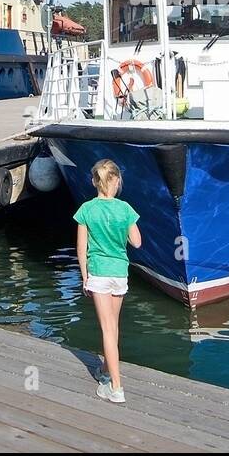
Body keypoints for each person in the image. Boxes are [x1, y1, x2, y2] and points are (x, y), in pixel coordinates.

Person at [74, 159, 142, 404]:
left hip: (99, 273)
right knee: (114, 327)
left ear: (96, 182)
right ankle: (104, 370)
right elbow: (137, 242)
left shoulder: (86, 210)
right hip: (119, 273)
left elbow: (81, 249)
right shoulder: (125, 209)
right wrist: (121, 228)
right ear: (116, 181)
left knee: (107, 329)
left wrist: (85, 277)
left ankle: (116, 387)